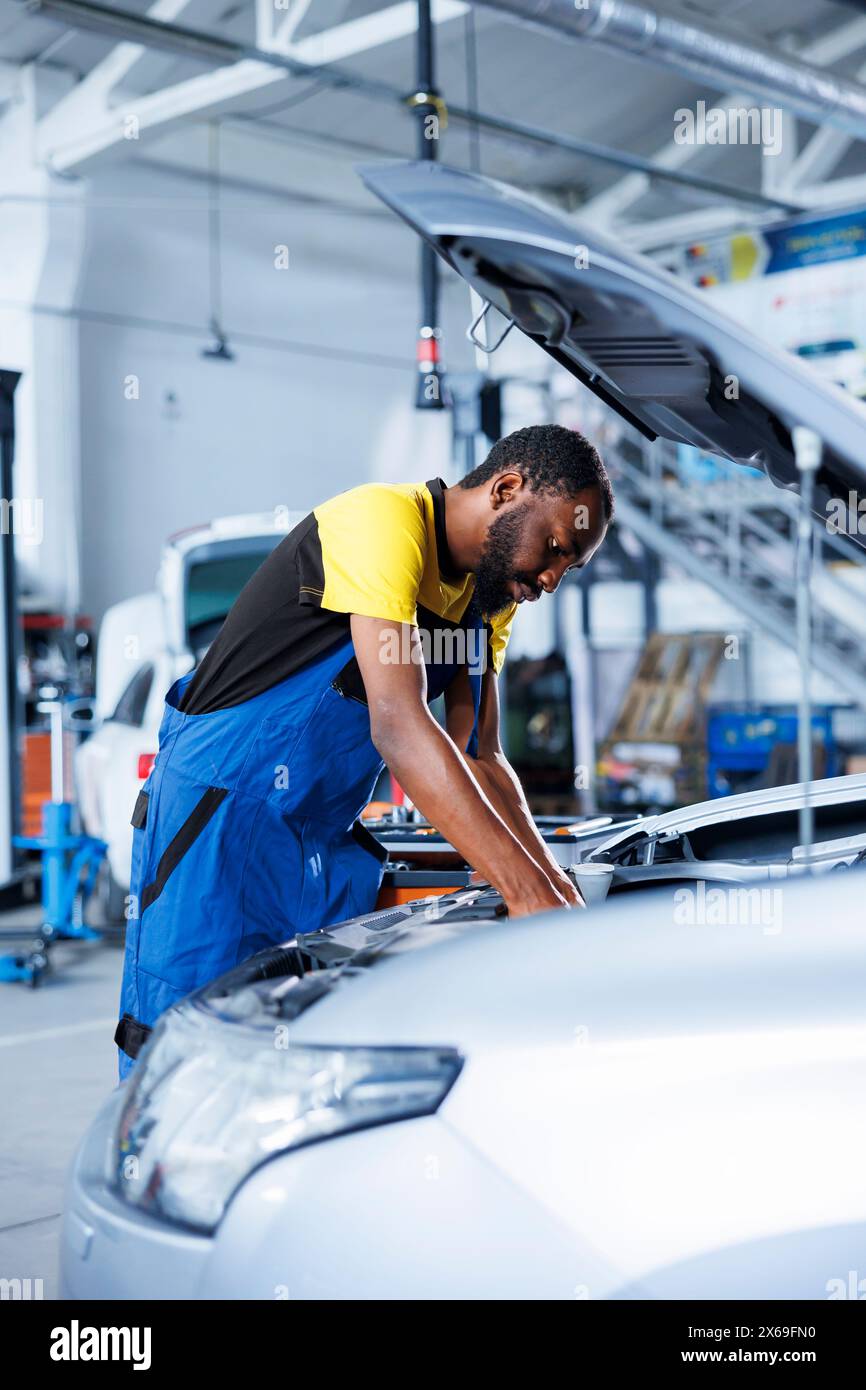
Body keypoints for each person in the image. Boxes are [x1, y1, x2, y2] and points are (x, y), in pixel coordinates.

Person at [115, 423, 613, 1077]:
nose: (550, 577)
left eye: (567, 567)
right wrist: (522, 894)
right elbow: (399, 725)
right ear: (508, 488)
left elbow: (482, 756)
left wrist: (555, 890)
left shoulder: (485, 600)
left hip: (313, 840)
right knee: (181, 1048)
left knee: (296, 1058)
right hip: (215, 823)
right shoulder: (383, 522)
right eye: (553, 547)